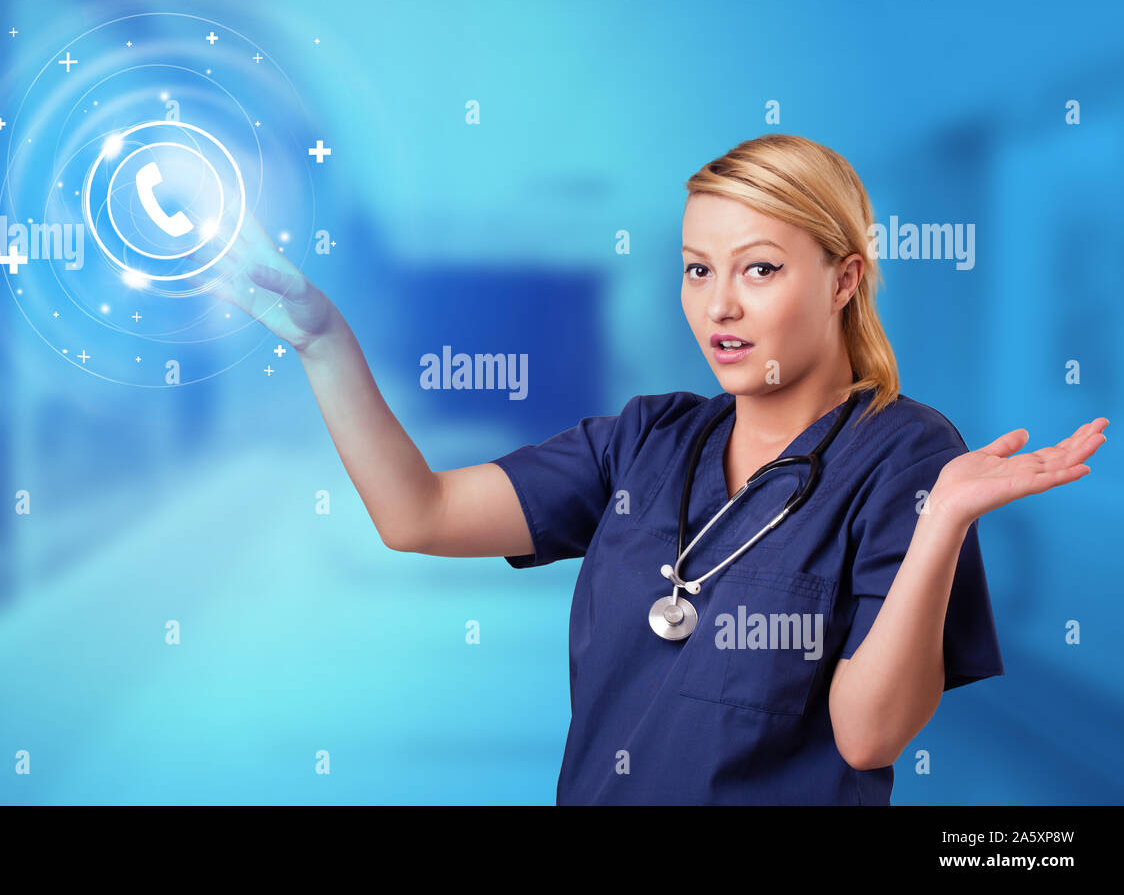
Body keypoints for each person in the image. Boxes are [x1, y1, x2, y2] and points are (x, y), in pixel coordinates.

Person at [200, 133, 1108, 805]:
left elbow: (868, 732)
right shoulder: (645, 441)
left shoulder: (902, 454)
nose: (719, 306)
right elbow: (420, 514)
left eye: (759, 270)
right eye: (696, 269)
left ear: (844, 280)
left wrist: (943, 525)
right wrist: (324, 342)